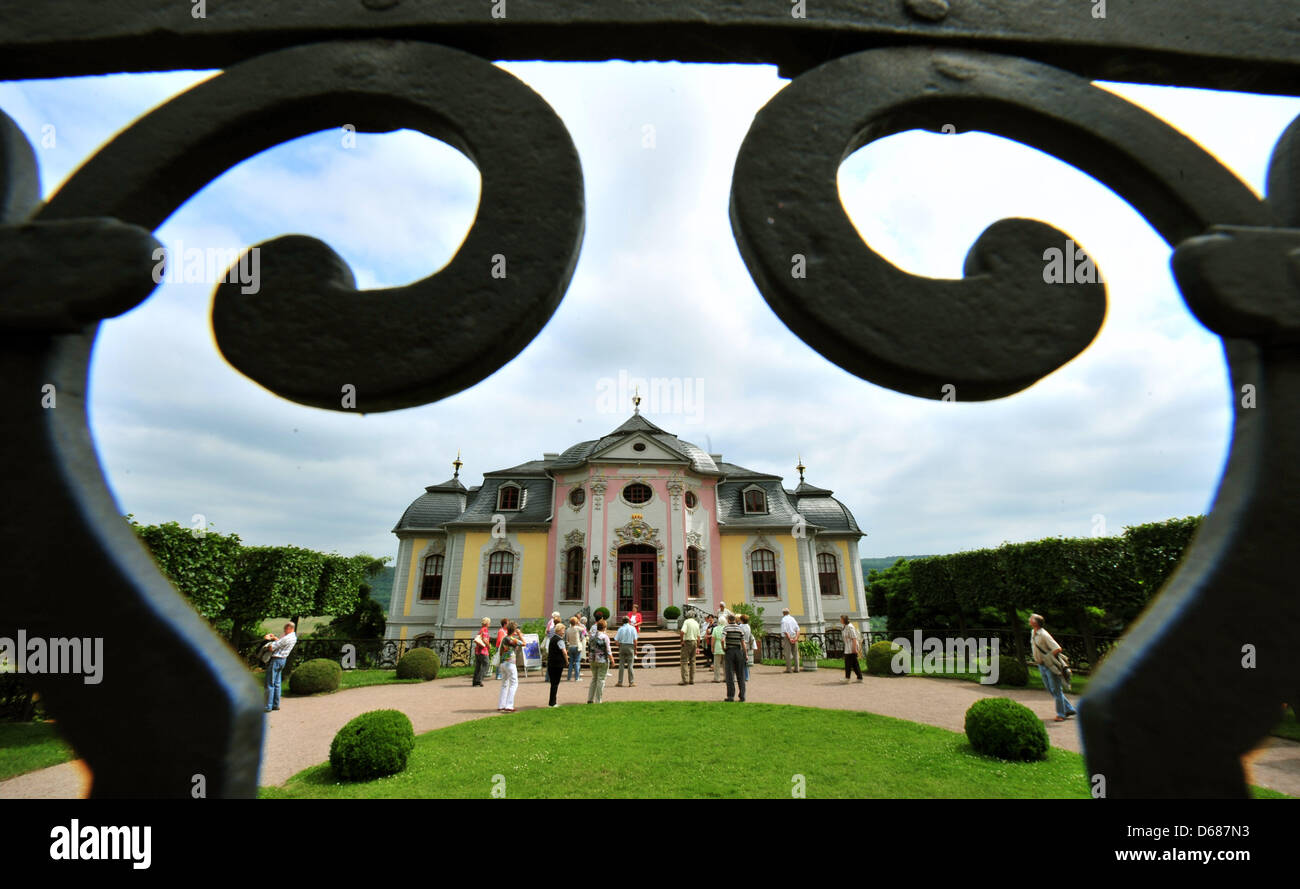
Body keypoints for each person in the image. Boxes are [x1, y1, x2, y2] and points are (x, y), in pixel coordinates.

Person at [1029, 613, 1076, 721]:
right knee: (1050, 689)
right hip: (1041, 665)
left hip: (1050, 665)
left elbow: (1057, 649)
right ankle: (1069, 708)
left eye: (1031, 618)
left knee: (1056, 689)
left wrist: (1046, 658)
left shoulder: (1044, 635)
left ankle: (1061, 714)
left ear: (1035, 622)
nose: (1029, 620)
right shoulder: (1033, 632)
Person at [263, 622, 297, 712]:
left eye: (285, 629)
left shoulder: (286, 637)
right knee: (277, 683)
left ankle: (267, 706)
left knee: (269, 683)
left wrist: (267, 640)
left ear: (289, 628)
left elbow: (272, 648)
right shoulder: (293, 637)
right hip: (283, 660)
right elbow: (280, 643)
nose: (284, 631)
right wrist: (274, 638)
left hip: (276, 660)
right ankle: (275, 704)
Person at [498, 621, 524, 712]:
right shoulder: (512, 639)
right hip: (510, 663)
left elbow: (501, 651)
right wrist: (520, 634)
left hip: (503, 663)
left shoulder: (505, 638)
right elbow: (524, 643)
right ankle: (509, 705)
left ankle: (501, 705)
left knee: (504, 684)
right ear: (514, 630)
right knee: (514, 683)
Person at [587, 619, 613, 704]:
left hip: (592, 659)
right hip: (602, 660)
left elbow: (589, 648)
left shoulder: (592, 636)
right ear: (604, 627)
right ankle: (598, 700)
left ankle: (590, 699)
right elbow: (608, 650)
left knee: (594, 678)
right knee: (601, 680)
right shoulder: (605, 637)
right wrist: (612, 660)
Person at [722, 614, 747, 702]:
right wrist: (746, 654)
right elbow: (743, 643)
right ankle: (742, 696)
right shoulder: (740, 628)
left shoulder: (726, 628)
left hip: (730, 651)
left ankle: (730, 696)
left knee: (730, 675)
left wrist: (723, 648)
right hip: (738, 651)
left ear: (728, 620)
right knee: (740, 675)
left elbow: (722, 639)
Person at [546, 626, 568, 707]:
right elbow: (564, 652)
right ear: (558, 631)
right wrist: (567, 661)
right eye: (563, 630)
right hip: (557, 664)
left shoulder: (552, 639)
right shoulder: (559, 640)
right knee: (555, 683)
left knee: (553, 683)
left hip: (551, 663)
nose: (564, 632)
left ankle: (552, 702)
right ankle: (552, 703)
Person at [679, 611, 701, 685]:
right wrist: (698, 645)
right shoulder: (696, 623)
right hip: (694, 641)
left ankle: (685, 679)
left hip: (687, 641)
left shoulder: (687, 622)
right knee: (693, 661)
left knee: (684, 661)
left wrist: (682, 641)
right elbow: (698, 636)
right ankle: (692, 679)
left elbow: (682, 632)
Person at [615, 616, 638, 687]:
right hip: (630, 646)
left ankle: (620, 682)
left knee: (621, 665)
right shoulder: (633, 628)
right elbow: (635, 640)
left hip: (622, 646)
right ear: (629, 621)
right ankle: (631, 682)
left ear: (622, 621)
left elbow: (616, 641)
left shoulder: (620, 629)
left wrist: (620, 646)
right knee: (630, 665)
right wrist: (635, 649)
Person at [841, 614, 863, 682]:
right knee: (854, 664)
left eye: (841, 619)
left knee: (848, 663)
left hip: (851, 647)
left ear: (844, 620)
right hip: (848, 647)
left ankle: (847, 678)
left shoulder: (850, 627)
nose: (840, 620)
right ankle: (859, 677)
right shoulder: (845, 626)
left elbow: (854, 638)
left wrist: (854, 648)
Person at [472, 617, 492, 686]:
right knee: (486, 664)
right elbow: (484, 639)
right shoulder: (485, 630)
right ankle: (479, 680)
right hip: (483, 651)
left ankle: (474, 681)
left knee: (478, 666)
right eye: (489, 622)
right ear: (487, 623)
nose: (490, 624)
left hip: (477, 650)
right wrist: (489, 646)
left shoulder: (481, 630)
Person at [780, 608, 800, 673]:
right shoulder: (793, 619)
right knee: (795, 653)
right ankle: (797, 668)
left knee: (788, 653)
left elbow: (785, 631)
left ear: (783, 613)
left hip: (787, 637)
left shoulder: (784, 620)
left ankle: (789, 669)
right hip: (794, 636)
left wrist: (789, 638)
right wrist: (796, 638)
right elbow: (798, 629)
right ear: (788, 612)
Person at [565, 616, 584, 682]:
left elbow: (567, 639)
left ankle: (568, 677)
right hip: (577, 646)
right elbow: (584, 629)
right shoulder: (577, 628)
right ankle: (577, 678)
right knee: (577, 662)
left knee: (571, 663)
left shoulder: (568, 629)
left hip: (570, 646)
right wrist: (579, 623)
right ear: (576, 622)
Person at [738, 613, 753, 681]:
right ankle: (746, 676)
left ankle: (743, 676)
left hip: (741, 644)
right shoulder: (748, 626)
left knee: (741, 661)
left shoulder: (741, 626)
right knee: (746, 661)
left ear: (742, 620)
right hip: (747, 644)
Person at [711, 617, 726, 682]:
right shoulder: (726, 628)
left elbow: (713, 639)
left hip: (717, 646)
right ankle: (726, 678)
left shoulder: (715, 628)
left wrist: (712, 647)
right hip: (725, 646)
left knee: (716, 664)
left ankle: (717, 678)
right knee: (725, 664)